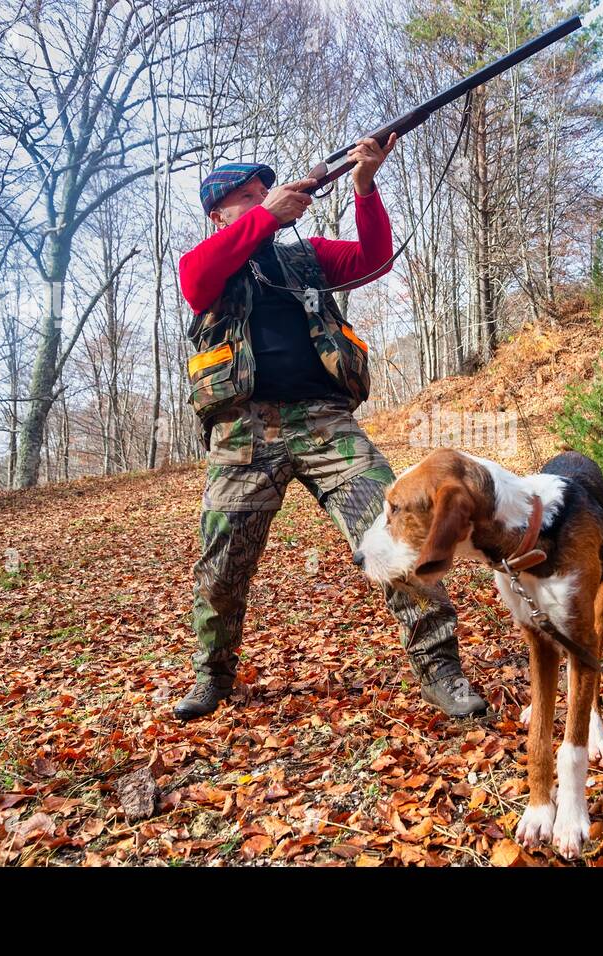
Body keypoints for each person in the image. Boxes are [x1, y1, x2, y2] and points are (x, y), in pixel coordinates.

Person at [173, 135, 486, 721]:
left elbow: (374, 257)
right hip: (244, 430)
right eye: (247, 196)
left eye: (265, 191)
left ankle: (441, 669)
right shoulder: (208, 262)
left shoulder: (306, 255)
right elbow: (196, 280)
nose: (264, 198)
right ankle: (212, 677)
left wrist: (365, 186)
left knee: (397, 532)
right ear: (219, 214)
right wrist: (267, 218)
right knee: (221, 566)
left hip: (326, 422)